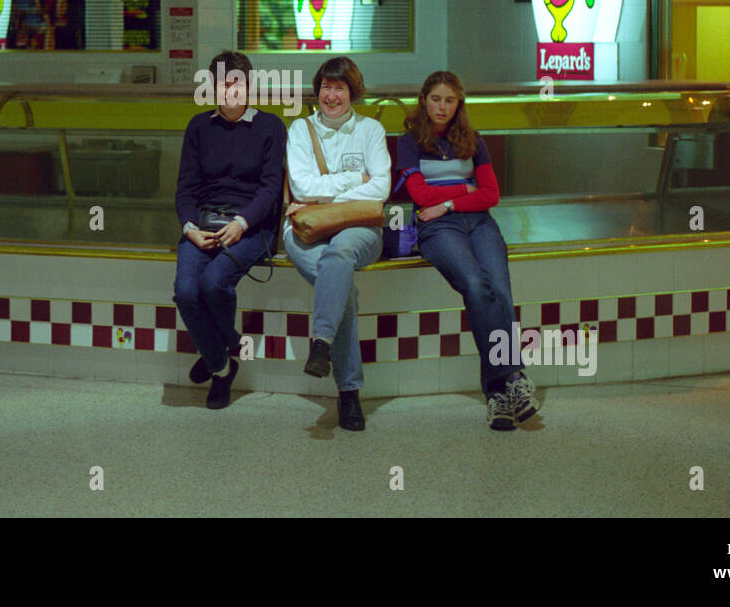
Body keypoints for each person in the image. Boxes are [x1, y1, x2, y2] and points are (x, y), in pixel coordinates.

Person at [396, 71, 539, 431]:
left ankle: (498, 391)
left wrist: (448, 202)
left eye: (450, 100)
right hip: (437, 230)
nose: (442, 107)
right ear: (424, 99)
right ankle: (510, 380)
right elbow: (420, 197)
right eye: (435, 99)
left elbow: (491, 195)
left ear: (459, 104)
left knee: (500, 291)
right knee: (475, 286)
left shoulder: (473, 140)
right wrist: (465, 187)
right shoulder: (410, 141)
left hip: (477, 222)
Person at [174, 51, 285, 410]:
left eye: (236, 82)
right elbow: (186, 188)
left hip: (252, 224)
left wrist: (242, 223)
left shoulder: (270, 126)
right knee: (186, 291)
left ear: (249, 86)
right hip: (204, 221)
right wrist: (190, 228)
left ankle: (213, 356)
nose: (229, 89)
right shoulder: (198, 127)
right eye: (222, 82)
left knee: (213, 283)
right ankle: (224, 361)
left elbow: (270, 189)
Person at [284, 57, 390, 431]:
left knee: (340, 255)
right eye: (326, 87)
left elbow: (380, 188)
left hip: (359, 228)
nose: (331, 96)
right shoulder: (300, 129)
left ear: (353, 92)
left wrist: (325, 198)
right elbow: (301, 188)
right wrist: (351, 182)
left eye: (339, 88)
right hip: (305, 227)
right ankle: (349, 393)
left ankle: (321, 342)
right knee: (341, 288)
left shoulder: (371, 130)